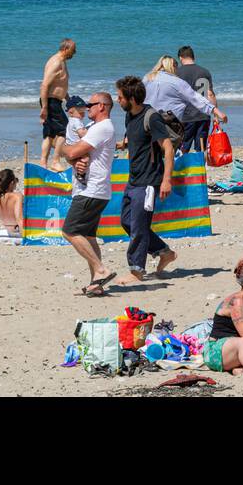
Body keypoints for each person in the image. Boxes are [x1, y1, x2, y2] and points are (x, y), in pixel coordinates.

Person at [114, 76, 178, 287]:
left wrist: (167, 180)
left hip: (149, 181)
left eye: (120, 96)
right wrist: (123, 145)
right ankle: (164, 252)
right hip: (133, 179)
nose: (117, 100)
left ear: (131, 98)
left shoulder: (151, 118)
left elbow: (168, 148)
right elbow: (135, 138)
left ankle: (137, 271)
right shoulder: (129, 116)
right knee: (127, 222)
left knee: (139, 226)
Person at [59, 91, 116, 297]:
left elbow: (70, 150)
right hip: (93, 189)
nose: (87, 107)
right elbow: (70, 152)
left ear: (102, 106)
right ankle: (96, 284)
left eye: (90, 104)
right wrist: (73, 159)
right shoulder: (92, 128)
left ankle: (101, 270)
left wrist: (70, 153)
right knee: (89, 237)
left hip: (92, 189)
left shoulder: (103, 128)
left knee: (69, 231)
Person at [144, 55, 226, 127]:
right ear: (173, 67)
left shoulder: (147, 78)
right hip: (167, 124)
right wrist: (217, 112)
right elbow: (195, 98)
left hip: (146, 121)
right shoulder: (176, 82)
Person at [39, 38, 76, 172]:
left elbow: (60, 85)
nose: (75, 52)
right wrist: (44, 107)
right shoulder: (56, 62)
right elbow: (44, 85)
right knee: (64, 130)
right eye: (73, 50)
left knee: (49, 134)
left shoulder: (62, 62)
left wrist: (69, 99)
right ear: (65, 49)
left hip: (55, 101)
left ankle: (43, 162)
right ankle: (55, 161)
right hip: (51, 101)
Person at [176, 46, 218, 153]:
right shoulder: (205, 72)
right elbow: (210, 94)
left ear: (181, 58)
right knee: (200, 148)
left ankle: (182, 168)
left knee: (183, 148)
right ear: (193, 57)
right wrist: (215, 115)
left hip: (184, 116)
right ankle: (200, 168)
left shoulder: (177, 73)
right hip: (203, 115)